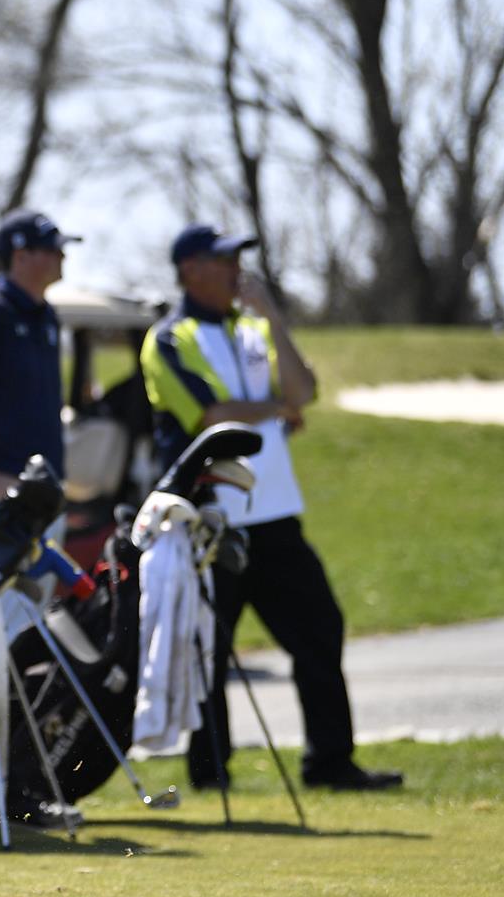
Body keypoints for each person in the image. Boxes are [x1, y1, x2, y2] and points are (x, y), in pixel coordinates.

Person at [141, 224, 402, 792]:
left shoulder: (255, 328)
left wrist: (274, 318)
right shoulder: (169, 338)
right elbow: (212, 416)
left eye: (237, 257)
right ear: (190, 270)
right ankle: (210, 773)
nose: (236, 268)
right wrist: (277, 409)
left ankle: (330, 763)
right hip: (212, 521)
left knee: (320, 629)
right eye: (223, 258)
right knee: (209, 650)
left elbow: (304, 390)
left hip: (276, 516)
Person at [0, 209, 82, 498]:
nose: (62, 257)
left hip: (46, 484)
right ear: (20, 256)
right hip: (1, 486)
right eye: (51, 250)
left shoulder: (47, 316)